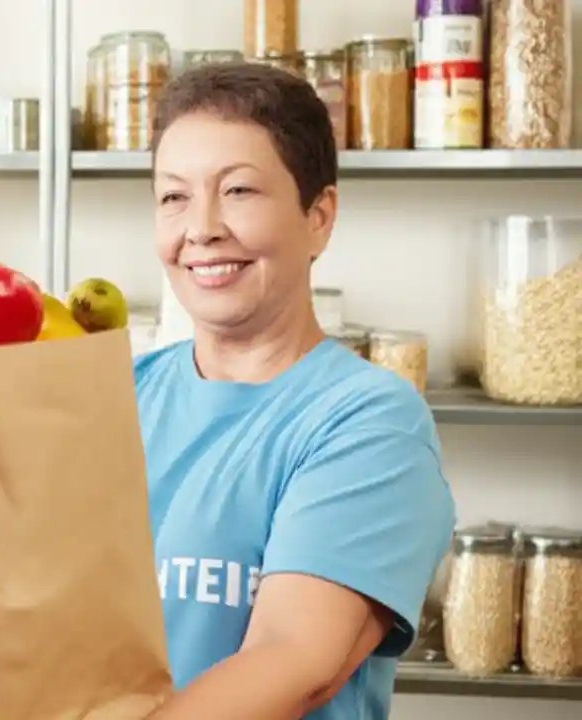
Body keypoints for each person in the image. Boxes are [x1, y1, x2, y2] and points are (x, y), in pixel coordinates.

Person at [138, 63, 455, 720]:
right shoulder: (115, 396)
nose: (201, 228)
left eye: (239, 190)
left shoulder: (370, 425)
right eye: (173, 197)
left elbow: (295, 660)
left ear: (319, 218)